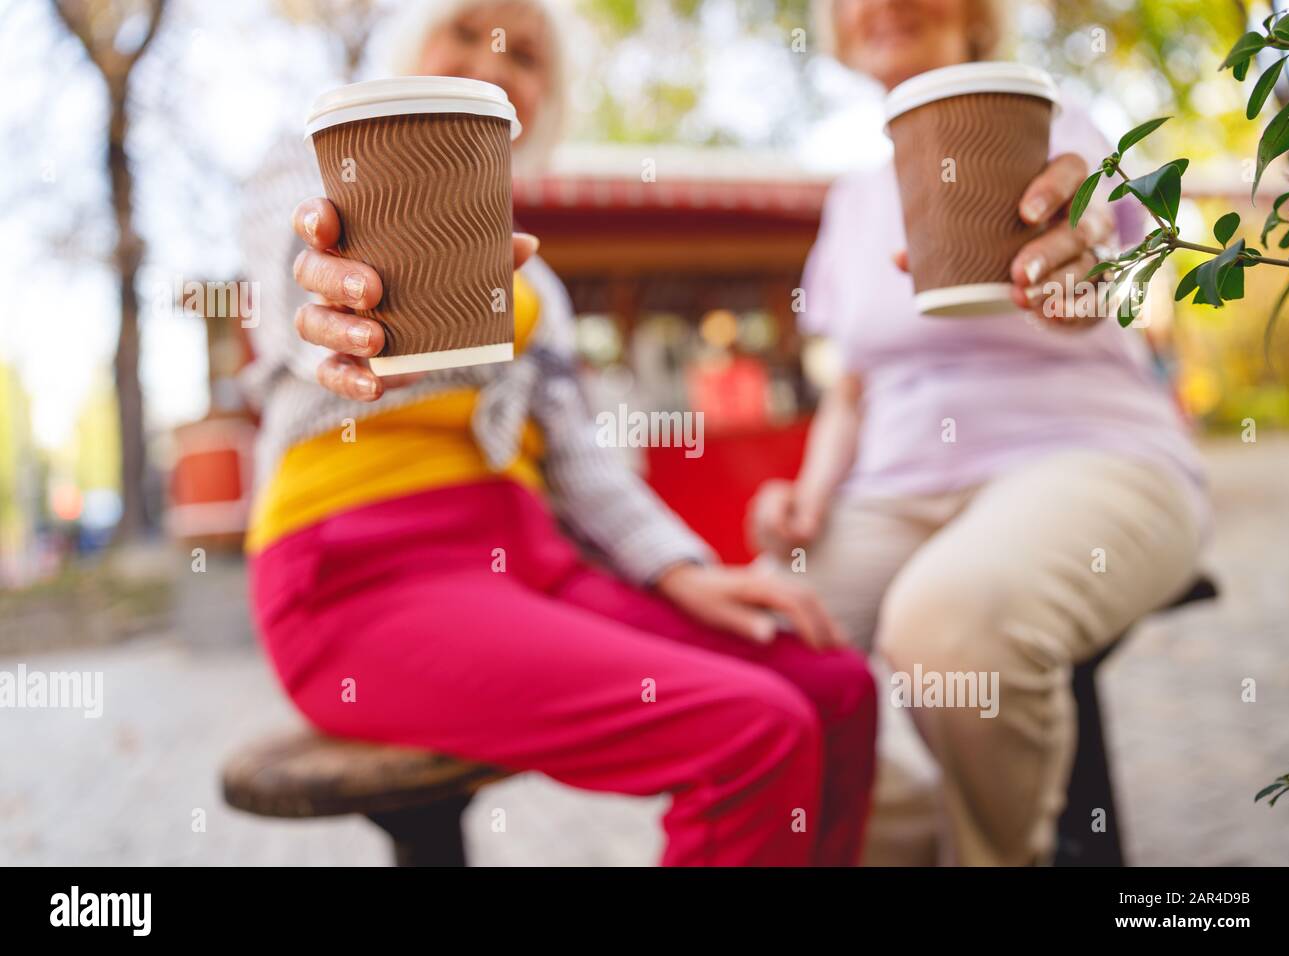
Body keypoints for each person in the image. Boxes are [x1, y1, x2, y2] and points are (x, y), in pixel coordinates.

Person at [241, 0, 876, 867]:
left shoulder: (537, 277)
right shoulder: (317, 164)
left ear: (544, 100)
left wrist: (684, 568)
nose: (497, 63)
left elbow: (582, 460)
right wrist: (345, 304)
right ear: (407, 50)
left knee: (834, 687)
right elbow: (292, 296)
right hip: (358, 570)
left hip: (532, 560)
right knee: (750, 734)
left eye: (528, 57)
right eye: (466, 32)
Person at [748, 0, 1207, 866]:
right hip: (893, 489)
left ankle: (999, 854)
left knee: (949, 623)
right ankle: (915, 837)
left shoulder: (1058, 129)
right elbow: (851, 389)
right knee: (740, 651)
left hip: (1090, 455)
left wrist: (1076, 269)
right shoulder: (852, 199)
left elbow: (1103, 250)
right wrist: (805, 503)